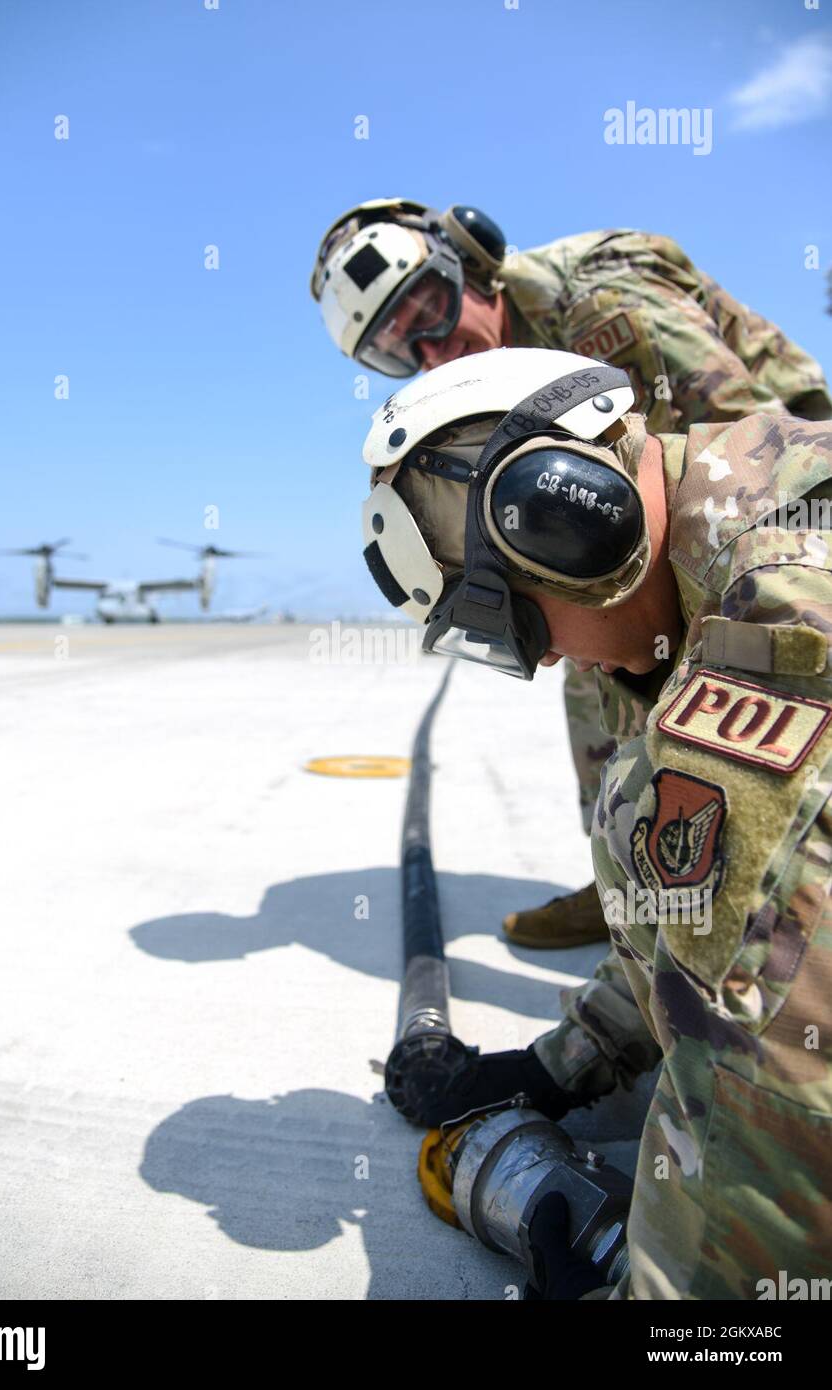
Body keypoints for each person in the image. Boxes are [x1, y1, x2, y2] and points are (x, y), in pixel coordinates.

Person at [355, 346, 832, 1298]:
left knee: (646, 797)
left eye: (508, 623)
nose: (533, 663)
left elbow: (781, 1054)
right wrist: (560, 1067)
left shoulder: (778, 604)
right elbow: (716, 924)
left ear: (570, 516)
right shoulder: (741, 499)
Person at [312, 199, 832, 949]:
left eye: (427, 306)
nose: (433, 347)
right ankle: (643, 862)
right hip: (674, 502)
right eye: (400, 351)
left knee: (650, 626)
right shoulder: (485, 384)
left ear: (471, 258)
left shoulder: (596, 306)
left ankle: (722, 854)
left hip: (781, 502)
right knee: (580, 639)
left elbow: (748, 438)